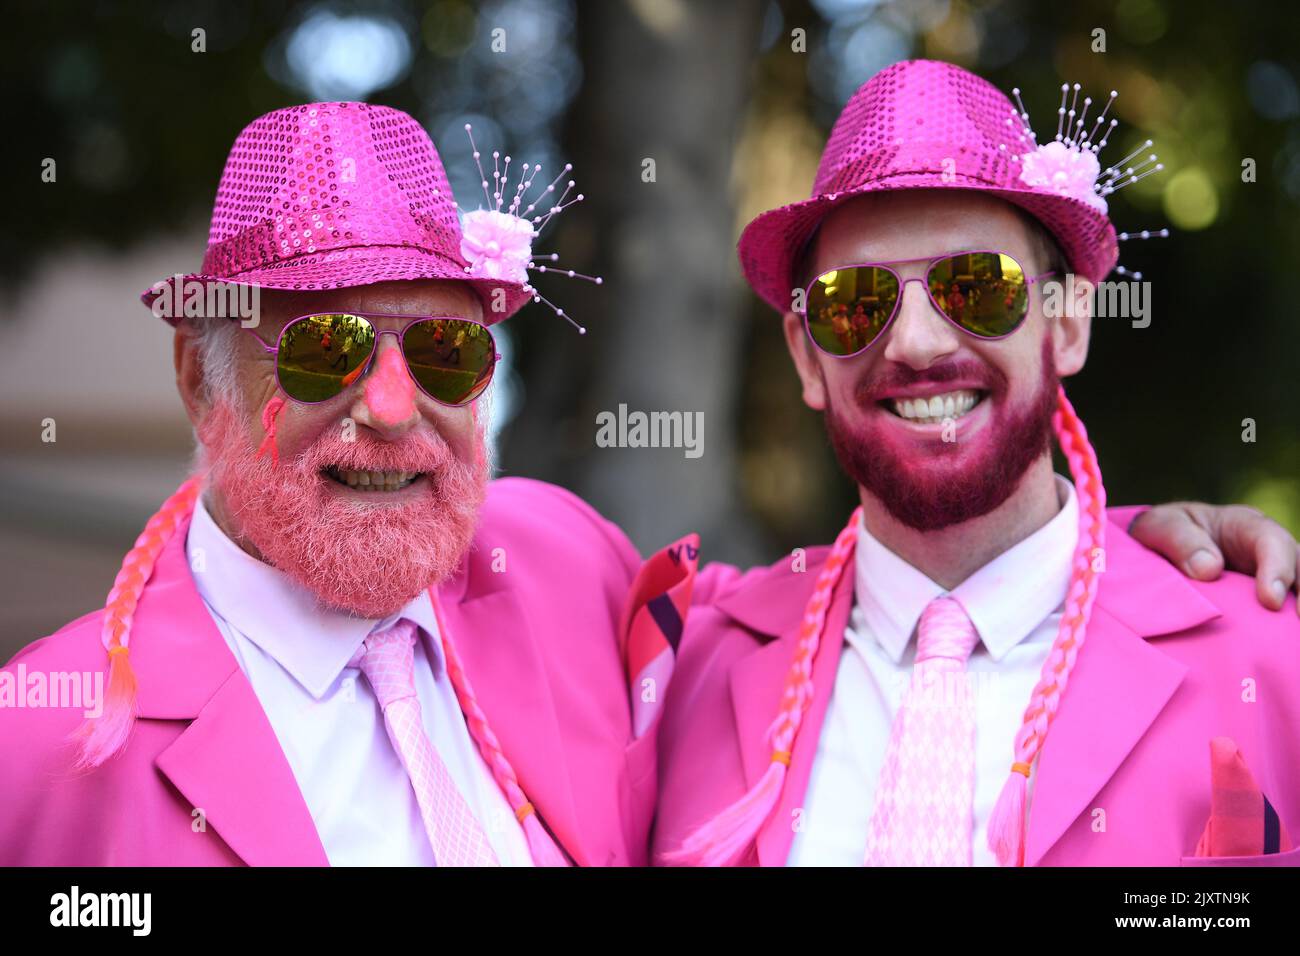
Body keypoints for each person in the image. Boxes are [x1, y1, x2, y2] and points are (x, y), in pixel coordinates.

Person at [0, 99, 1292, 869]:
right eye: (324, 345)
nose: (390, 408)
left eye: (444, 349)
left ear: (1065, 325)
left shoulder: (553, 566)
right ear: (196, 377)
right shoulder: (37, 739)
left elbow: (938, 552)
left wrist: (1118, 556)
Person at [652, 60, 1300, 867]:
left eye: (977, 287)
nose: (918, 343)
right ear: (808, 358)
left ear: (1065, 324)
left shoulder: (1273, 653)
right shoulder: (684, 665)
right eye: (856, 302)